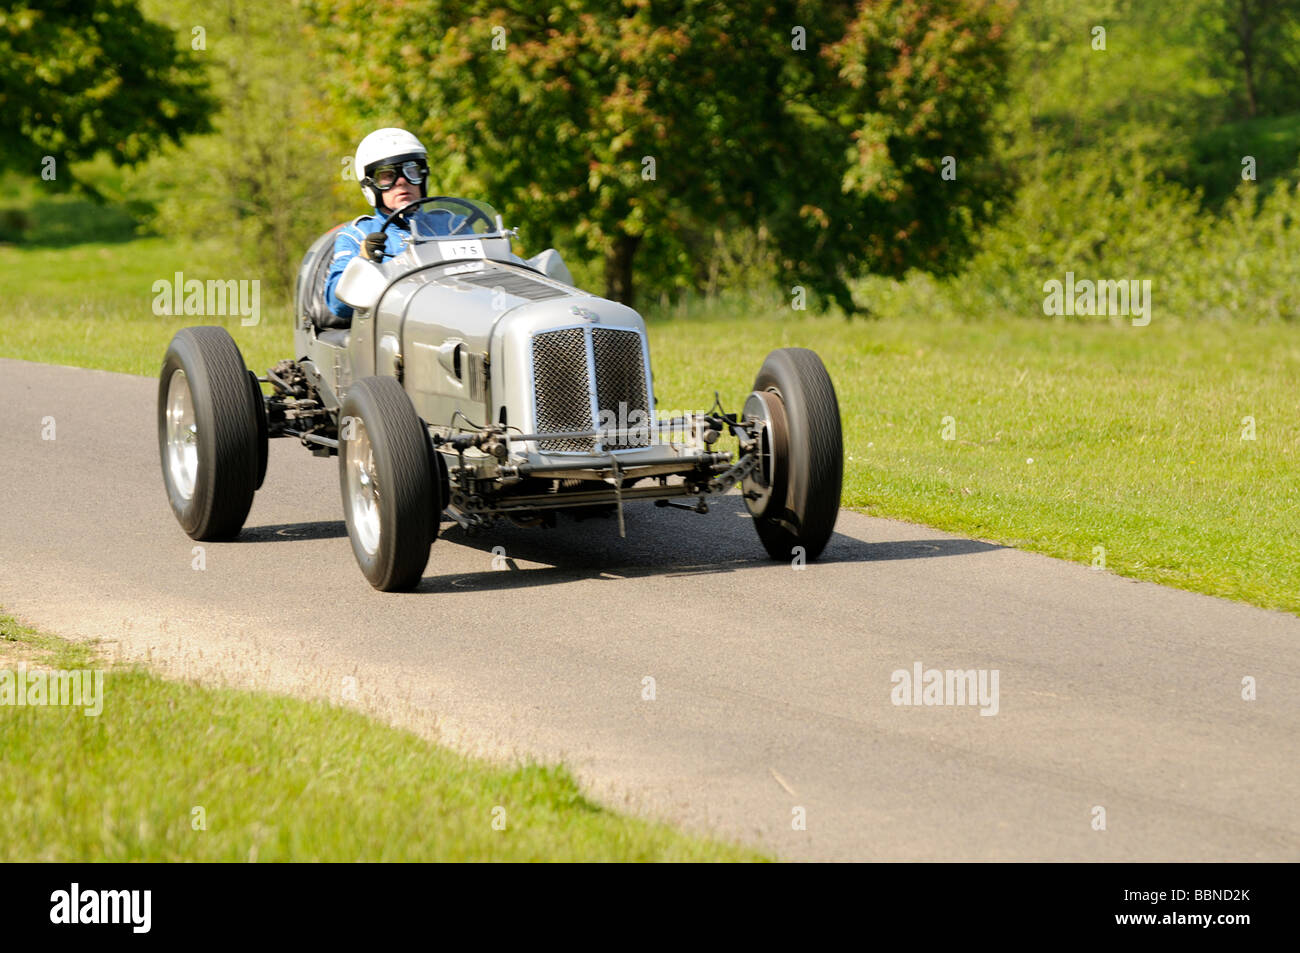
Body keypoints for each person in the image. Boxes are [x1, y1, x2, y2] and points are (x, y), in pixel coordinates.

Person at [323, 127, 464, 323]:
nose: (402, 182)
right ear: (371, 186)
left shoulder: (452, 225)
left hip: (457, 319)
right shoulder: (355, 236)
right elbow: (337, 306)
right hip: (393, 333)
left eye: (412, 171)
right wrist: (364, 263)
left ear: (424, 177)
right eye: (388, 176)